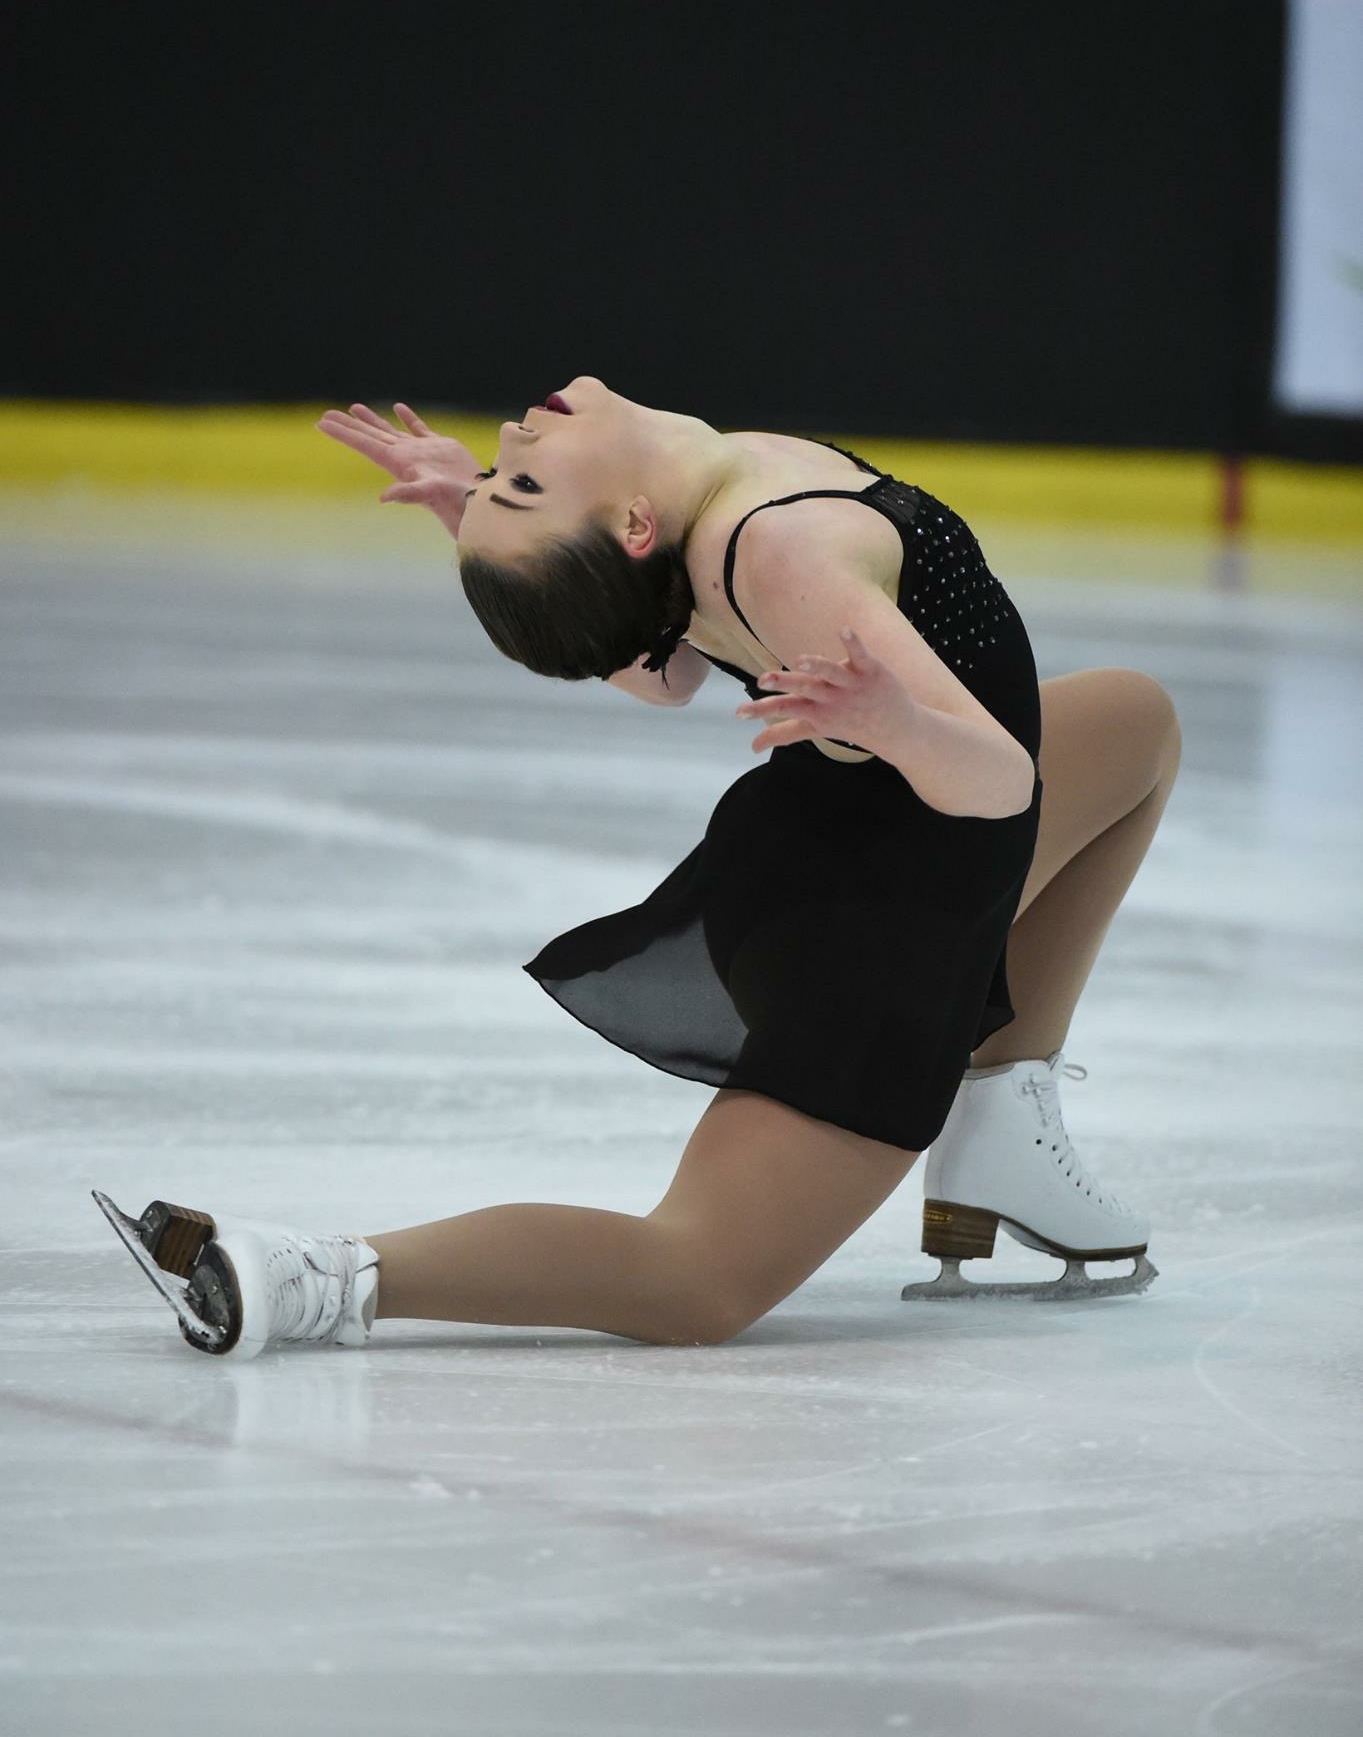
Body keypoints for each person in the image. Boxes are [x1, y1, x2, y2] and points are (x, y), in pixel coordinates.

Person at [95, 378, 1181, 1355]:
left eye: (506, 477)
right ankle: (309, 1273)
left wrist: (467, 502)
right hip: (876, 933)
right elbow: (998, 782)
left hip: (824, 842)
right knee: (696, 1278)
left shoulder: (698, 505)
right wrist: (898, 720)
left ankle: (997, 1112)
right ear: (632, 521)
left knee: (1133, 724)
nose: (511, 437)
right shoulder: (787, 553)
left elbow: (667, 678)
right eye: (519, 479)